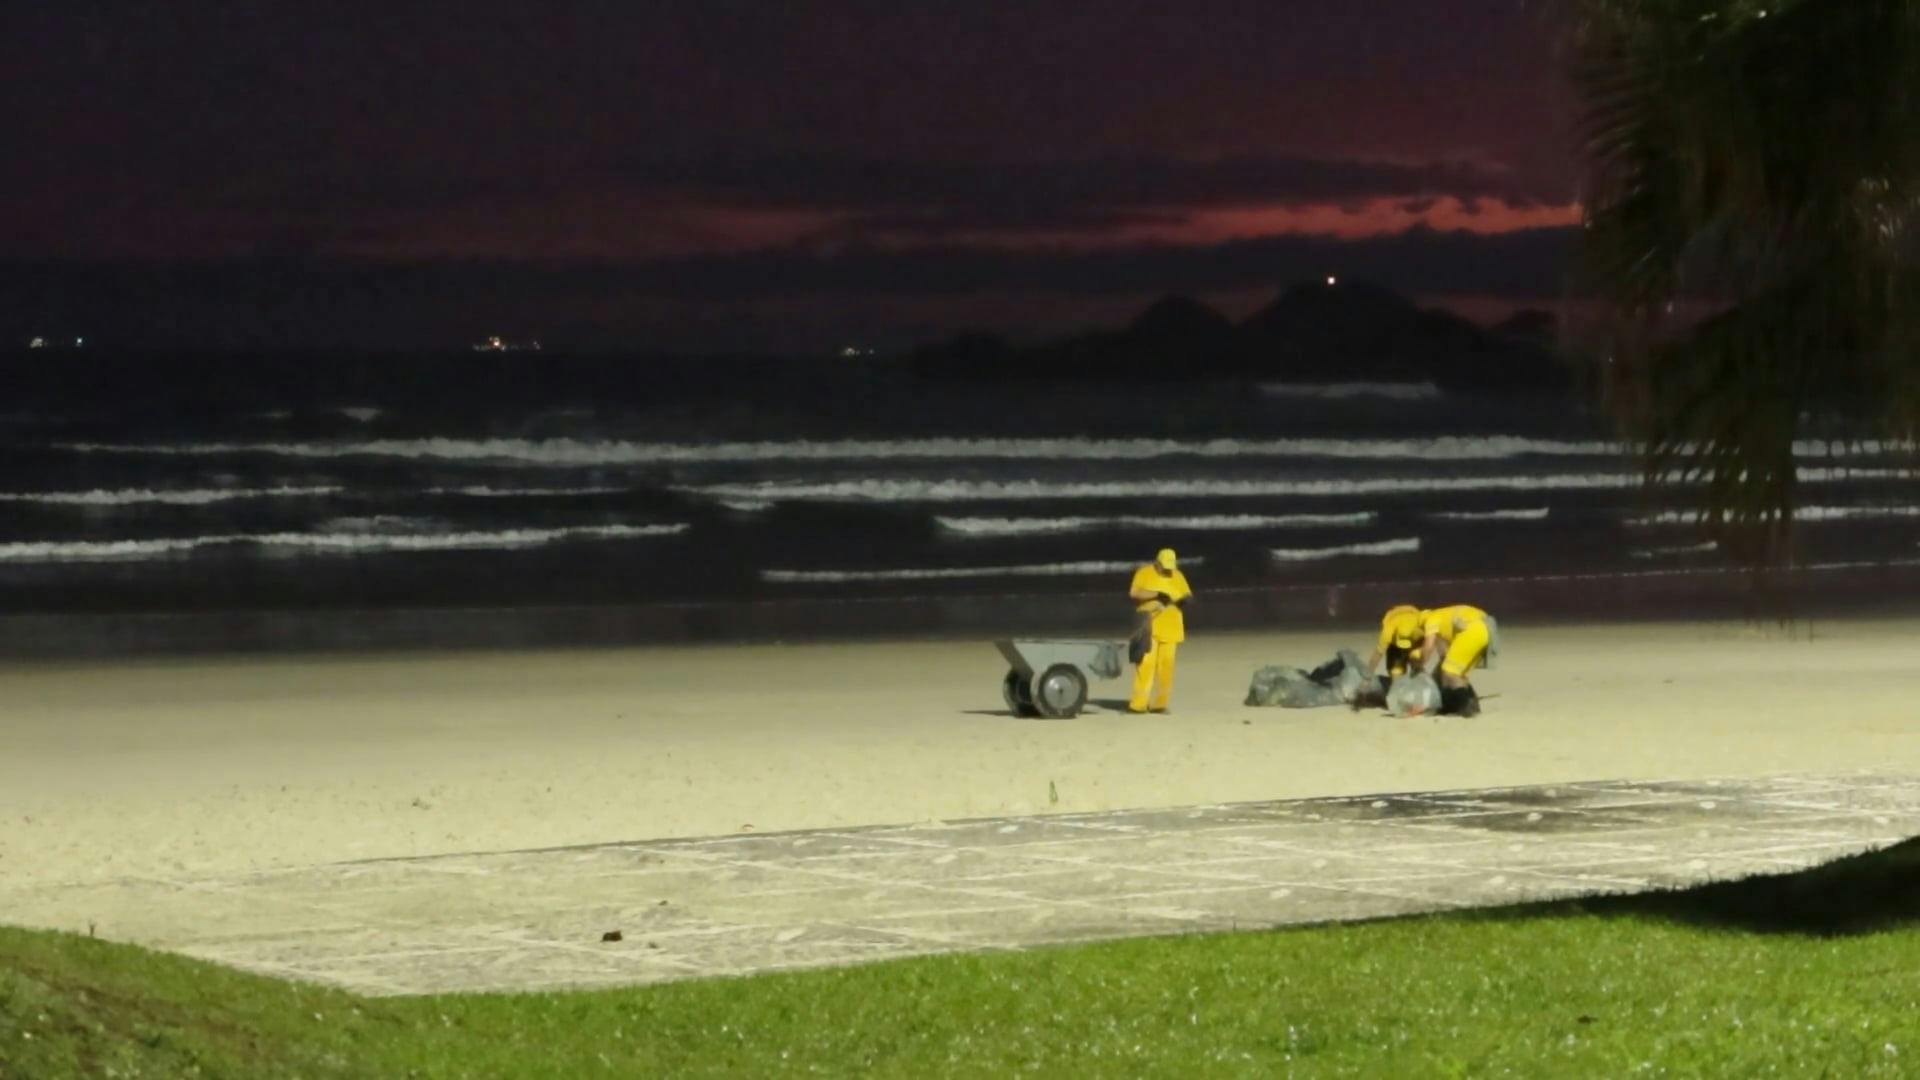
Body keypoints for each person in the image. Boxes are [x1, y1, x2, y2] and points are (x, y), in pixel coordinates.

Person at [1127, 548, 1192, 714]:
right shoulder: (1144, 573)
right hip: (1149, 626)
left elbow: (1188, 595)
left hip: (1172, 628)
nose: (1168, 570)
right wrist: (1157, 595)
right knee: (1145, 665)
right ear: (1157, 562)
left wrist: (1182, 600)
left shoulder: (1177, 575)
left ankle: (1159, 704)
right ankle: (1138, 704)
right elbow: (1134, 593)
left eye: (1171, 566)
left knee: (1166, 667)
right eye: (1165, 566)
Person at [1416, 604, 1499, 716]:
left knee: (1450, 673)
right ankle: (1473, 705)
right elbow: (1445, 655)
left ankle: (1465, 707)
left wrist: (1419, 664)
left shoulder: (1430, 619)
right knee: (1459, 674)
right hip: (1486, 628)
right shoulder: (1442, 617)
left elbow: (1428, 646)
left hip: (1473, 630)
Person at [1365, 604, 1424, 680]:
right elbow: (1377, 654)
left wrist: (1419, 663)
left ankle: (1417, 671)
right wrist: (1367, 677)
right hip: (1394, 625)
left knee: (1416, 657)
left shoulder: (1421, 629)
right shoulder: (1388, 631)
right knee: (1395, 671)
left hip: (1415, 632)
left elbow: (1429, 643)